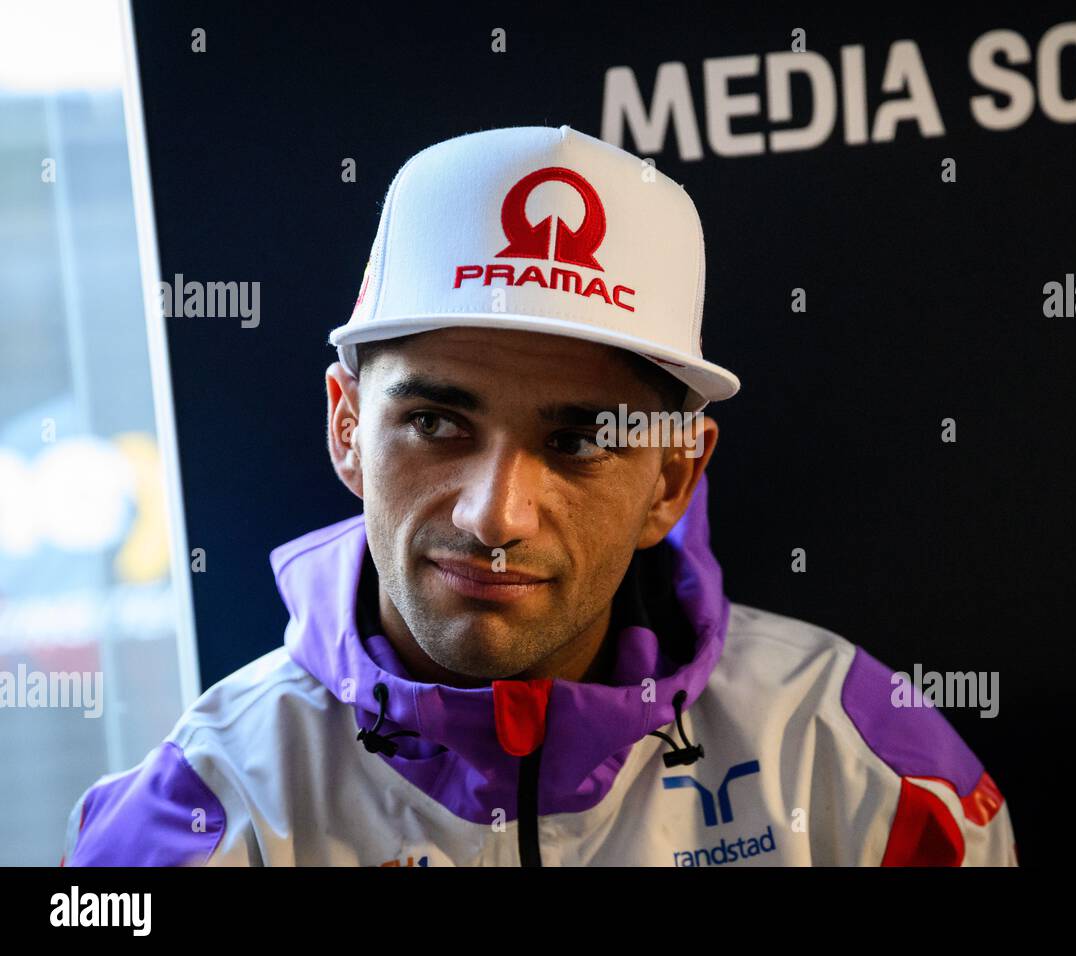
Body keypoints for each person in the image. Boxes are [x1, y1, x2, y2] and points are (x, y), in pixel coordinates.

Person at [62, 124, 1017, 866]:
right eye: (437, 423)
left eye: (579, 442)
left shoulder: (851, 753)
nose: (493, 516)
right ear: (348, 428)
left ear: (671, 480)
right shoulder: (201, 815)